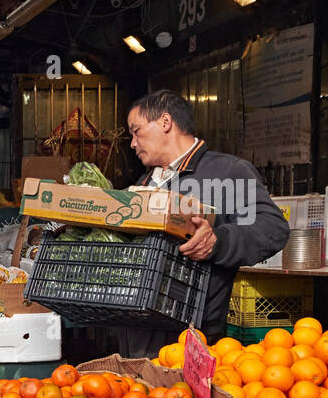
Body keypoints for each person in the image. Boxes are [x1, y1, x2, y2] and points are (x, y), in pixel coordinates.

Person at [117, 89, 289, 359]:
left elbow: (272, 229)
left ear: (165, 122)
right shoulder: (143, 184)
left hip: (193, 333)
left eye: (136, 131)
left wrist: (217, 242)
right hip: (136, 331)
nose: (133, 143)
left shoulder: (228, 172)